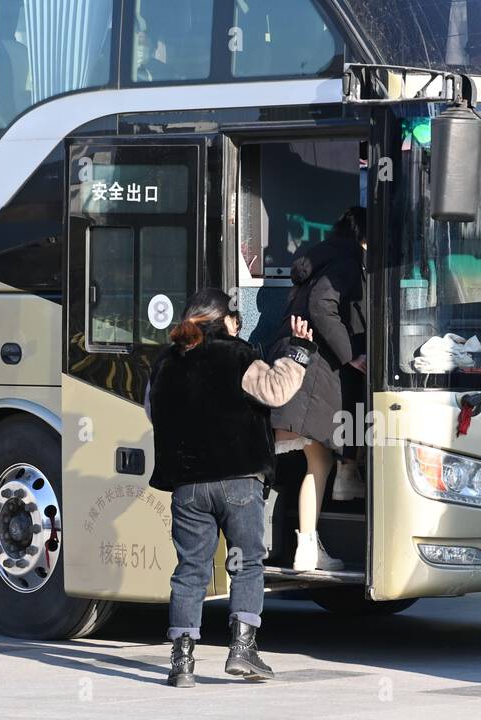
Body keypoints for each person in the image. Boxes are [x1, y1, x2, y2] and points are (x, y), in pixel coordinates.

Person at [146, 288, 316, 688]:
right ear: (224, 320)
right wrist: (299, 351)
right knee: (246, 564)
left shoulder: (163, 364)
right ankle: (242, 650)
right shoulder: (237, 354)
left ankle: (181, 660)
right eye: (236, 320)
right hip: (238, 481)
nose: (238, 326)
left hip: (188, 488)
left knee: (191, 569)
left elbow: (155, 413)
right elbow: (276, 390)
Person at [271, 206, 369, 571]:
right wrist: (352, 355)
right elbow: (322, 305)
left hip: (299, 367)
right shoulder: (346, 262)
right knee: (319, 462)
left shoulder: (320, 259)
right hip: (317, 374)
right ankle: (308, 548)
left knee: (317, 461)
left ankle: (309, 545)